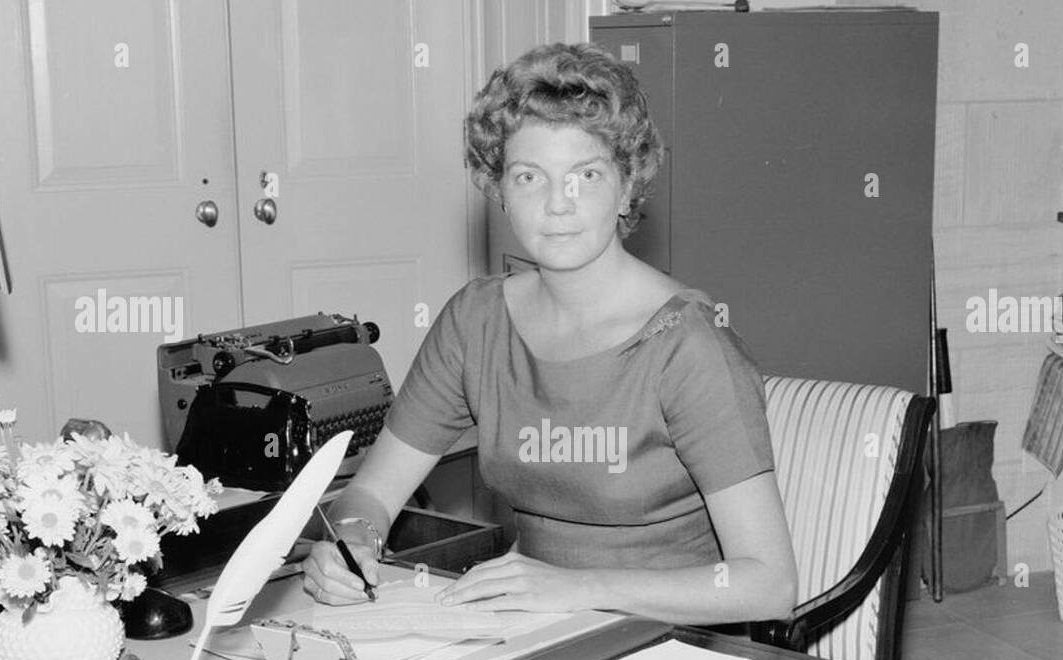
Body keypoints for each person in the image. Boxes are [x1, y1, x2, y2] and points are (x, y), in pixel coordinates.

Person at [303, 42, 796, 625]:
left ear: (627, 186)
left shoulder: (688, 345)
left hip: (676, 639)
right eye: (529, 176)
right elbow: (370, 495)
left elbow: (769, 585)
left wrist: (576, 588)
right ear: (499, 190)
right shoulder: (474, 322)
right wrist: (352, 542)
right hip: (533, 622)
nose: (558, 203)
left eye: (586, 175)